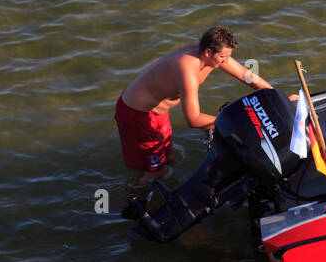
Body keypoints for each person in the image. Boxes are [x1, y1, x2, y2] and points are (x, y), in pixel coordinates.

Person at [115, 26, 274, 185]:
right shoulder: (187, 69)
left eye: (228, 56)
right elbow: (193, 119)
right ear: (208, 52)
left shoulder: (212, 54)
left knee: (168, 158)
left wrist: (276, 96)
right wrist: (235, 124)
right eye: (223, 57)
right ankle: (135, 201)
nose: (227, 61)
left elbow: (247, 76)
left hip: (158, 112)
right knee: (157, 172)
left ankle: (159, 185)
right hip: (137, 115)